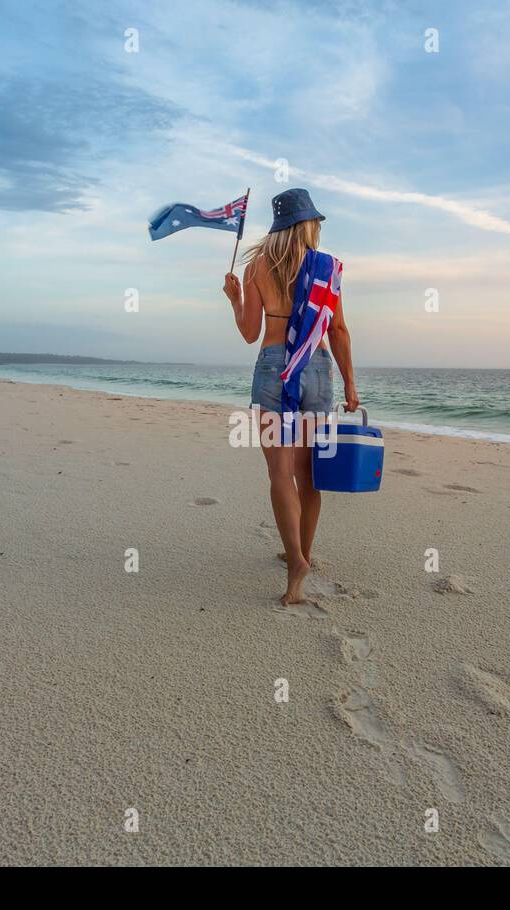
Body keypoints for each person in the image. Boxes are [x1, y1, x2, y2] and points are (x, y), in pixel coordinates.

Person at [222, 188, 359, 605]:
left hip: (272, 367)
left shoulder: (257, 266)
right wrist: (351, 386)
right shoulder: (326, 268)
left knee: (280, 473)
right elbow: (337, 330)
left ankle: (295, 558)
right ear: (308, 224)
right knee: (308, 473)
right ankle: (302, 551)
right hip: (316, 368)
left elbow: (249, 334)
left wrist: (235, 299)